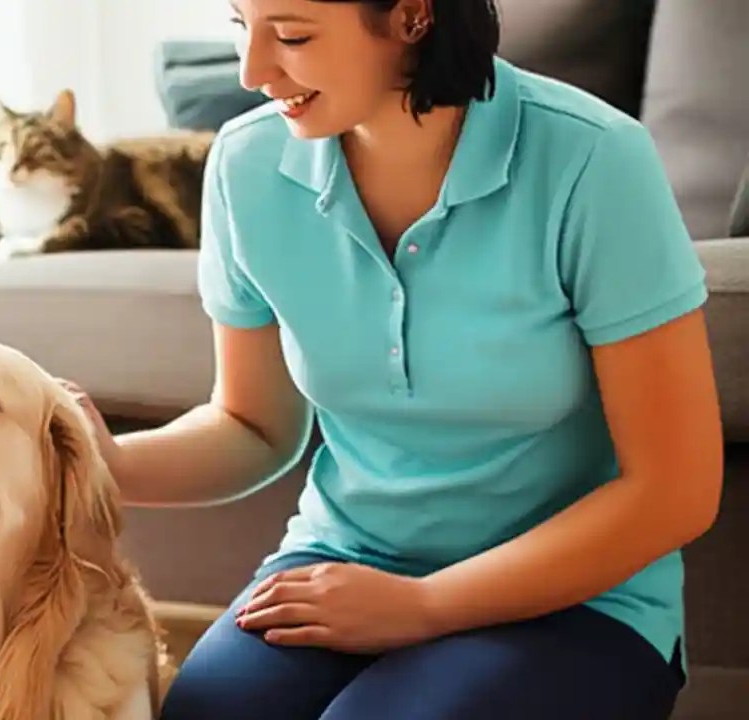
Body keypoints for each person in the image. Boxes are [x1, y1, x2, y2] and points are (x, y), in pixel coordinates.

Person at [61, 0, 725, 718]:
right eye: (239, 26)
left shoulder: (592, 159)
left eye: (291, 35)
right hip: (344, 562)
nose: (251, 71)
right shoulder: (247, 164)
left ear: (412, 17)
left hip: (580, 597)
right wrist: (107, 466)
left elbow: (673, 490)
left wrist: (424, 605)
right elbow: (253, 425)